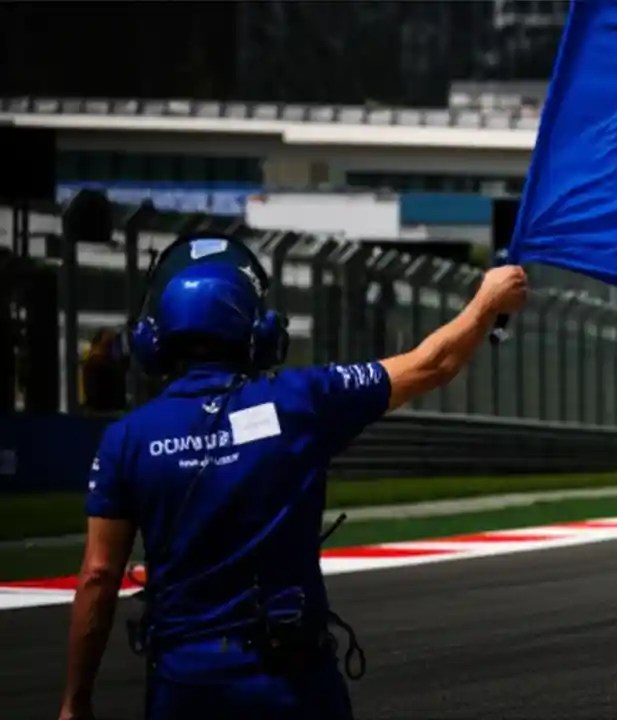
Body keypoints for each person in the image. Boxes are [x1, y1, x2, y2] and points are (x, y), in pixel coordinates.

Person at [57, 234, 527, 720]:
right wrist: (485, 302)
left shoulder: (126, 440)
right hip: (291, 681)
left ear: (155, 340)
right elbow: (432, 364)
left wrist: (76, 699)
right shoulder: (302, 401)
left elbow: (97, 575)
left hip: (184, 683)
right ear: (258, 332)